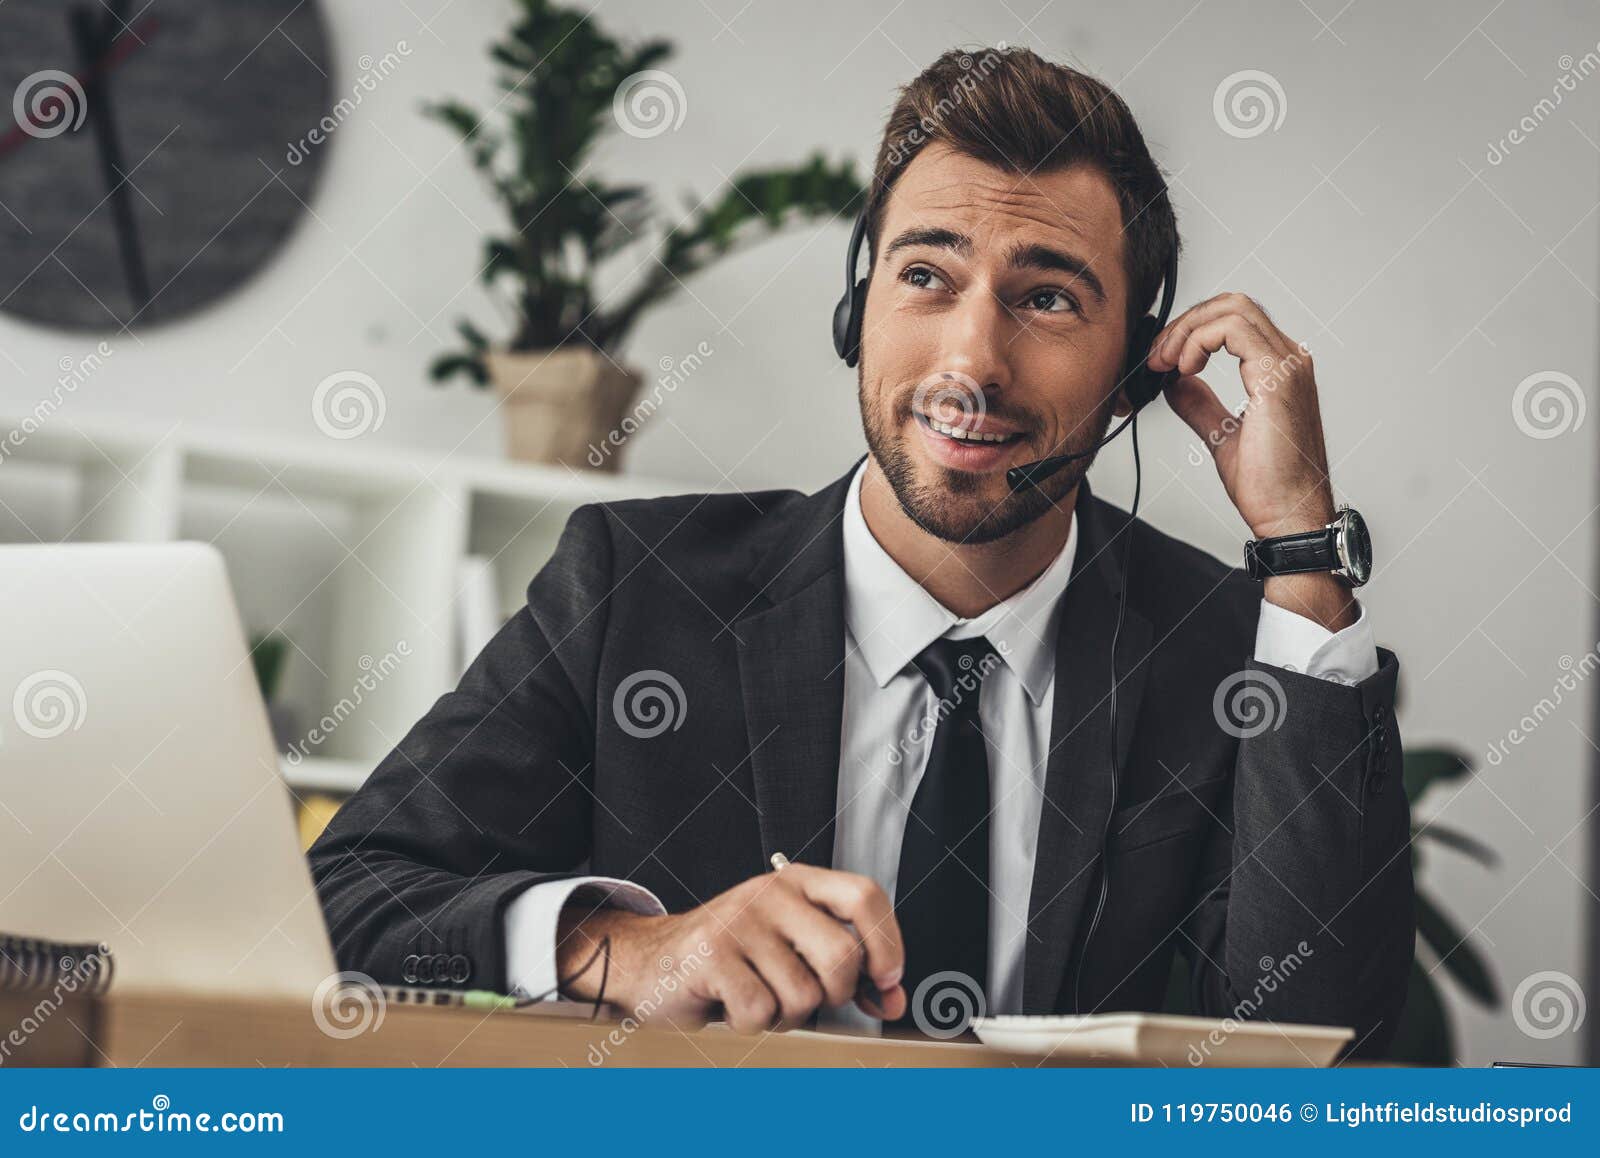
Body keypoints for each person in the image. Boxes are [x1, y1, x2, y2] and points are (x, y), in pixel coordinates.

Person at [309, 45, 1412, 1054]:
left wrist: (1299, 548)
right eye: (926, 277)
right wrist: (632, 950)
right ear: (857, 309)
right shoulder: (634, 587)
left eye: (1045, 298)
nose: (971, 362)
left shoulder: (1218, 647)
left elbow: (1327, 1040)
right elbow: (346, 900)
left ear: (1135, 375)